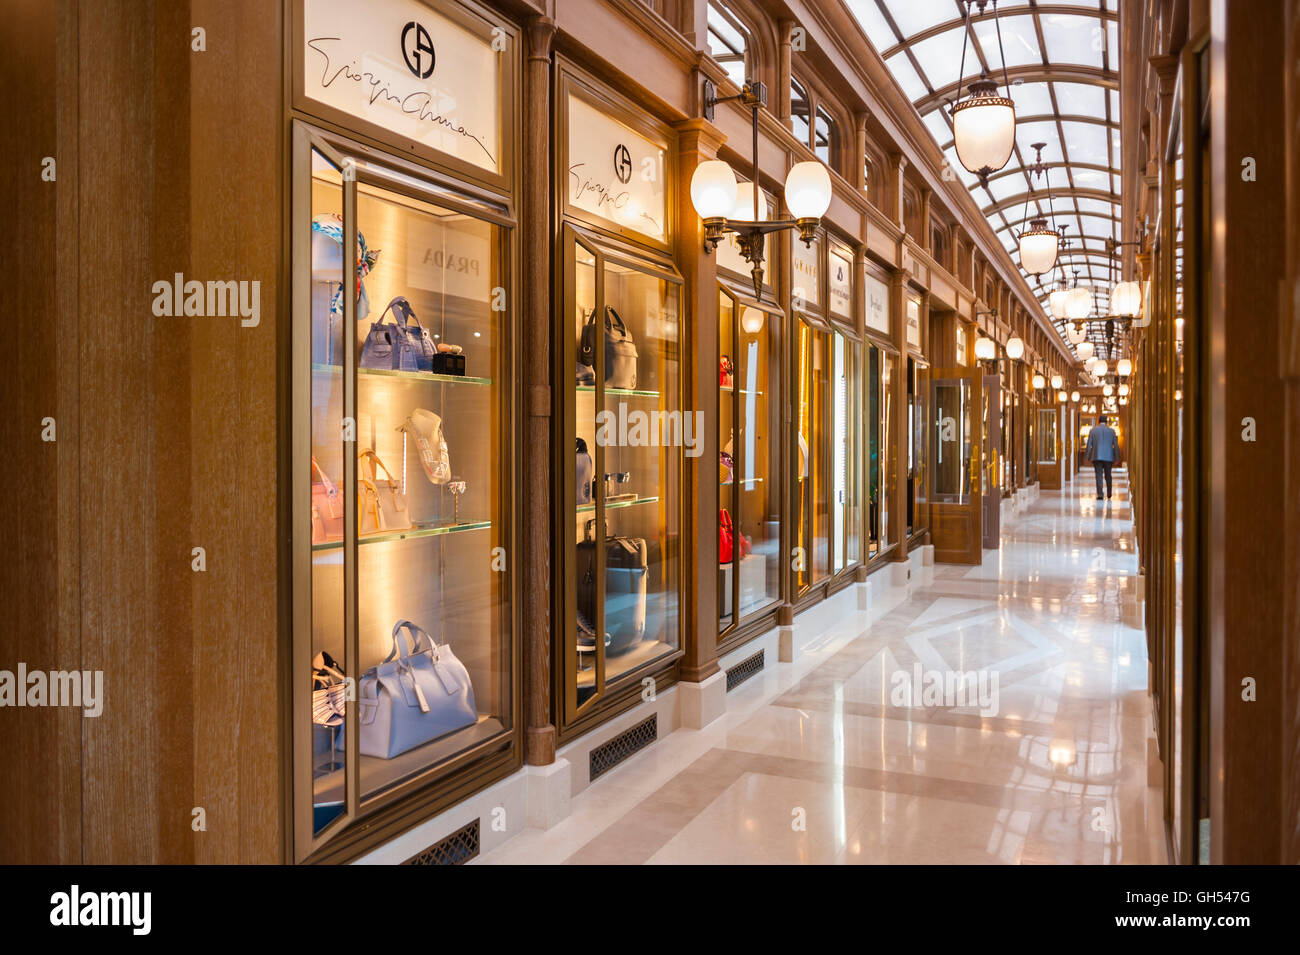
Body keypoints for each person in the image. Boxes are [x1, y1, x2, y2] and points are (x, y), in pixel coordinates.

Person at [1084, 415, 1119, 500]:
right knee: (1108, 475)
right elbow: (1116, 445)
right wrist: (1117, 457)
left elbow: (1089, 445)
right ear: (1106, 422)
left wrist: (1087, 457)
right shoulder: (1112, 431)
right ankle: (1109, 493)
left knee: (1099, 475)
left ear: (1098, 421)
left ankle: (1100, 494)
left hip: (1097, 456)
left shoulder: (1093, 431)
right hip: (1109, 457)